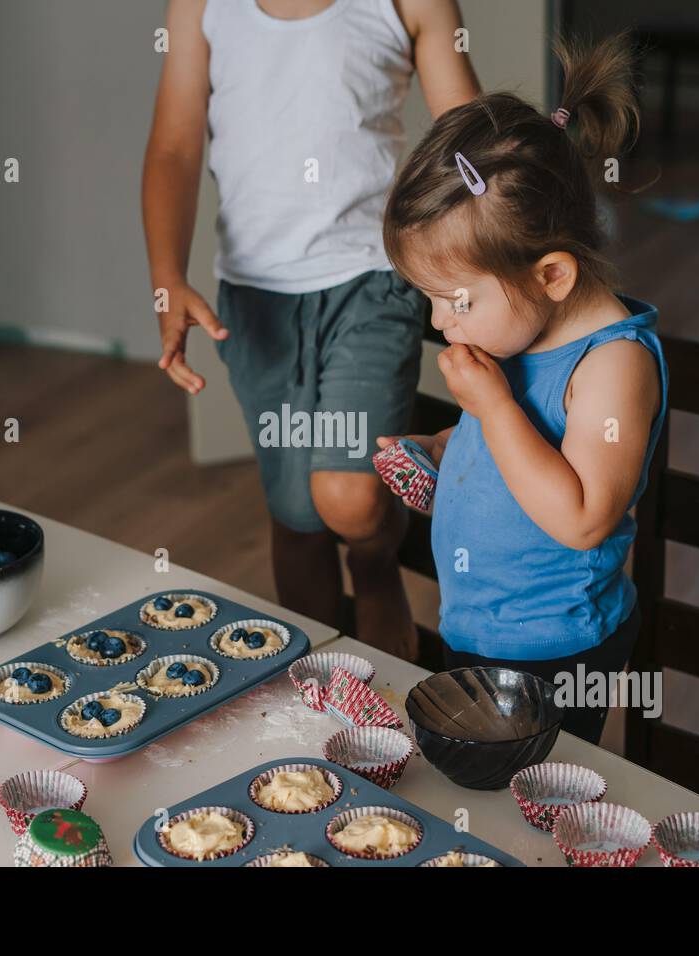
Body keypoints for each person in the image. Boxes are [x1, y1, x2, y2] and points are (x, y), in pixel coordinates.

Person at [142, 0, 481, 660]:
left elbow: (470, 144)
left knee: (348, 498)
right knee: (297, 518)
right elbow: (174, 146)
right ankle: (315, 701)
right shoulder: (201, 6)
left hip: (372, 280)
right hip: (256, 303)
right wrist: (167, 279)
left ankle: (376, 561)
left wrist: (485, 271)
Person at [377, 35, 668, 743]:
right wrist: (448, 447)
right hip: (479, 625)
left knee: (534, 811)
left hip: (557, 650)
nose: (441, 323)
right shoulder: (516, 327)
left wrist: (493, 406)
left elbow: (582, 517)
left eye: (455, 300)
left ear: (553, 277)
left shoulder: (613, 366)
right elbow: (513, 447)